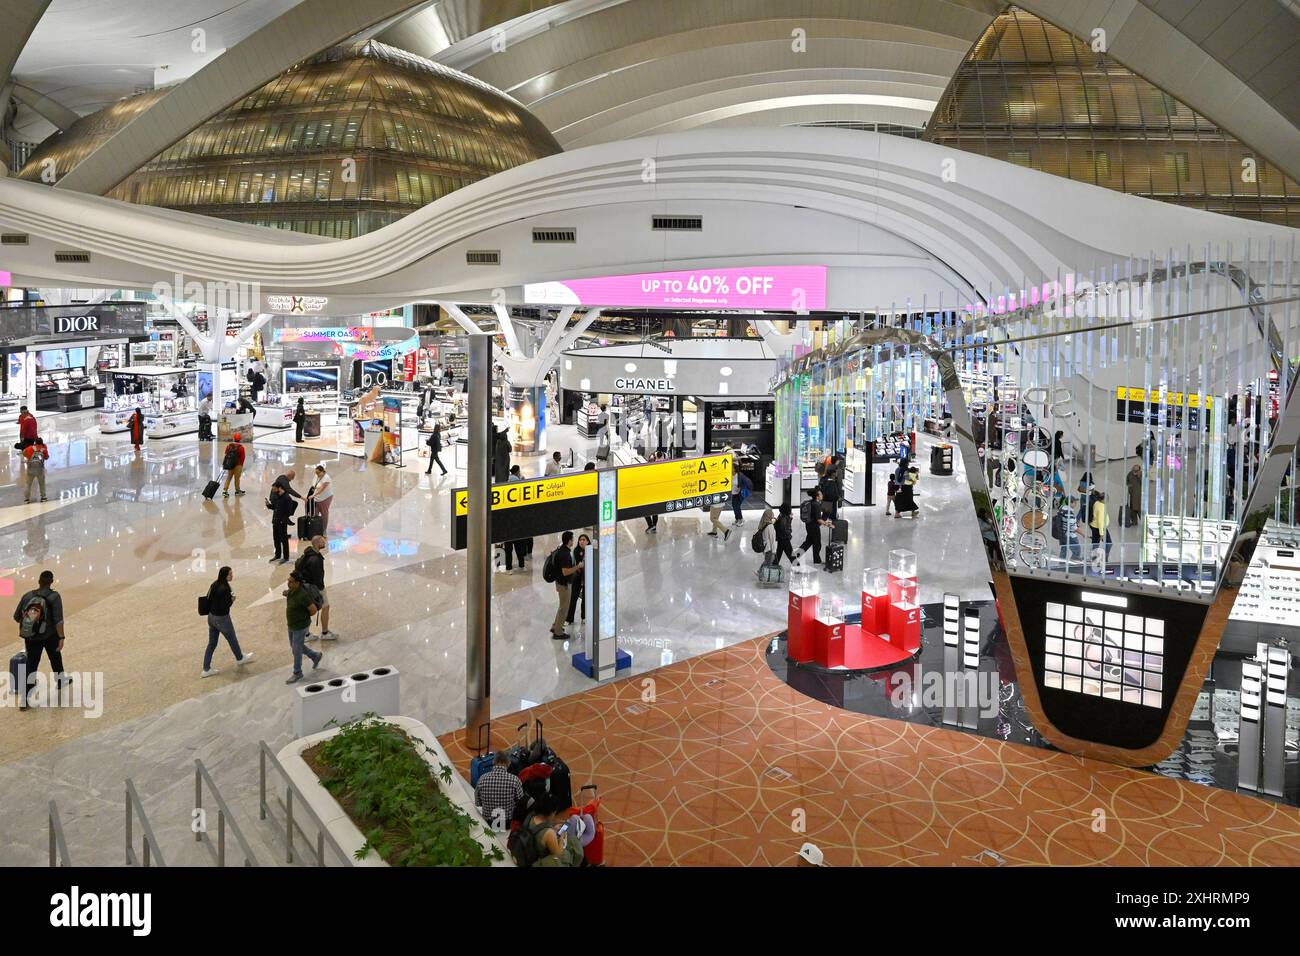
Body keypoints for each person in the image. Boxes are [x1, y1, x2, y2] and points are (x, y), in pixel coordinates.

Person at [12, 569, 68, 709]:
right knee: (55, 658)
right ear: (51, 582)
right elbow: (58, 621)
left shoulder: (27, 596)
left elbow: (16, 617)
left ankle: (25, 700)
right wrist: (61, 637)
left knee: (31, 666)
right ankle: (60, 681)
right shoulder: (54, 597)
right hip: (50, 636)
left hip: (31, 638)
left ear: (39, 581)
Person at [201, 566, 253, 677]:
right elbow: (225, 606)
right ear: (225, 575)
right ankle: (240, 658)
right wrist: (232, 600)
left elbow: (209, 598)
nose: (232, 575)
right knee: (232, 639)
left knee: (212, 643)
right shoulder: (224, 589)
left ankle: (206, 669)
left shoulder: (214, 584)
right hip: (222, 619)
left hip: (211, 617)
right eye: (230, 574)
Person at [283, 570, 322, 684]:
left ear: (297, 583)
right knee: (295, 646)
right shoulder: (292, 591)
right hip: (292, 624)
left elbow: (313, 610)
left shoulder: (302, 595)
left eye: (291, 582)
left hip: (300, 626)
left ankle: (297, 672)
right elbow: (289, 593)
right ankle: (315, 656)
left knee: (296, 649)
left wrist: (303, 617)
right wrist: (286, 593)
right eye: (288, 581)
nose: (288, 583)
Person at [297, 534, 338, 642]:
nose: (324, 542)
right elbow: (317, 577)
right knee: (326, 607)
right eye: (322, 541)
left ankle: (306, 634)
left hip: (305, 587)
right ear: (317, 543)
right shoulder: (316, 560)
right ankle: (324, 632)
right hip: (315, 588)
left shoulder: (307, 554)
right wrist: (321, 590)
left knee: (307, 610)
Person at [474, 751, 523, 829]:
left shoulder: (482, 779)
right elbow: (521, 803)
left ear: (493, 761)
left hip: (488, 823)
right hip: (507, 823)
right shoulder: (515, 780)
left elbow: (478, 803)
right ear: (509, 763)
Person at [549, 531, 583, 639]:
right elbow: (565, 572)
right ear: (569, 540)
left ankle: (555, 626)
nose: (574, 541)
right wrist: (578, 566)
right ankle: (558, 632)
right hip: (564, 584)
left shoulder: (562, 549)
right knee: (564, 608)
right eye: (572, 539)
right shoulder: (565, 554)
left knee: (562, 607)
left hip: (560, 583)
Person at [504, 465, 530, 571]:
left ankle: (509, 568)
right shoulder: (518, 483)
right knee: (519, 549)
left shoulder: (508, 482)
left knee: (508, 551)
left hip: (507, 531)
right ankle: (521, 565)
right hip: (517, 530)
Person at [798, 489, 828, 564]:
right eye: (820, 494)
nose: (822, 495)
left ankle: (796, 555)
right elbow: (818, 519)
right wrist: (826, 523)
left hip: (809, 525)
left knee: (808, 542)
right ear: (817, 497)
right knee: (817, 544)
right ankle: (817, 561)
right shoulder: (817, 505)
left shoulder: (811, 502)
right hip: (814, 527)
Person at [268, 483, 296, 564]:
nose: (273, 491)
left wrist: (282, 519)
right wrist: (269, 506)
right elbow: (275, 507)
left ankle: (286, 557)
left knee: (284, 540)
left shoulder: (287, 498)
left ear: (279, 488)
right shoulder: (277, 496)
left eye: (274, 489)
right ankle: (277, 555)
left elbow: (289, 512)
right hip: (275, 521)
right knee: (276, 539)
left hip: (282, 522)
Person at [567, 532, 591, 626]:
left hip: (587, 579)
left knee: (585, 599)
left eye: (584, 540)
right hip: (577, 578)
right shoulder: (576, 551)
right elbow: (573, 564)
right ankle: (569, 618)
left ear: (588, 541)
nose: (582, 541)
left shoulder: (591, 551)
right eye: (580, 540)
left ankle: (584, 617)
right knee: (573, 598)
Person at [1052, 495, 1083, 562]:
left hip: (1062, 533)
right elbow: (1073, 528)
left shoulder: (1062, 508)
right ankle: (1074, 562)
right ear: (1071, 503)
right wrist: (1083, 534)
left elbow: (1066, 521)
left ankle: (1061, 564)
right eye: (1075, 502)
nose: (1076, 504)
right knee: (1077, 550)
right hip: (1070, 535)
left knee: (1064, 549)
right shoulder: (1069, 512)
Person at [22, 435, 49, 503]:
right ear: (42, 443)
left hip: (30, 468)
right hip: (40, 469)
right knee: (41, 483)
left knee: (28, 484)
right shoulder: (44, 449)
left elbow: (24, 453)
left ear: (35, 442)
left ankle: (26, 499)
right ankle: (43, 497)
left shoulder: (30, 448)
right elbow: (46, 457)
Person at [1089, 490, 1110, 574]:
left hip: (1094, 526)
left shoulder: (1097, 503)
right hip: (1100, 528)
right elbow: (1100, 522)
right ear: (1102, 499)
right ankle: (1105, 560)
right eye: (1107, 499)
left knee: (1095, 543)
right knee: (1109, 543)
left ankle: (1094, 559)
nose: (1107, 500)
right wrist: (1101, 534)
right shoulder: (1101, 507)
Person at [306, 464, 333, 529]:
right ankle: (316, 529)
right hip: (316, 498)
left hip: (325, 498)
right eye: (316, 473)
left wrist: (313, 495)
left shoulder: (327, 478)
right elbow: (314, 485)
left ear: (322, 471)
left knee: (324, 514)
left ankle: (324, 529)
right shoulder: (316, 475)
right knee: (315, 513)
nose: (317, 474)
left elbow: (321, 489)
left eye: (318, 473)